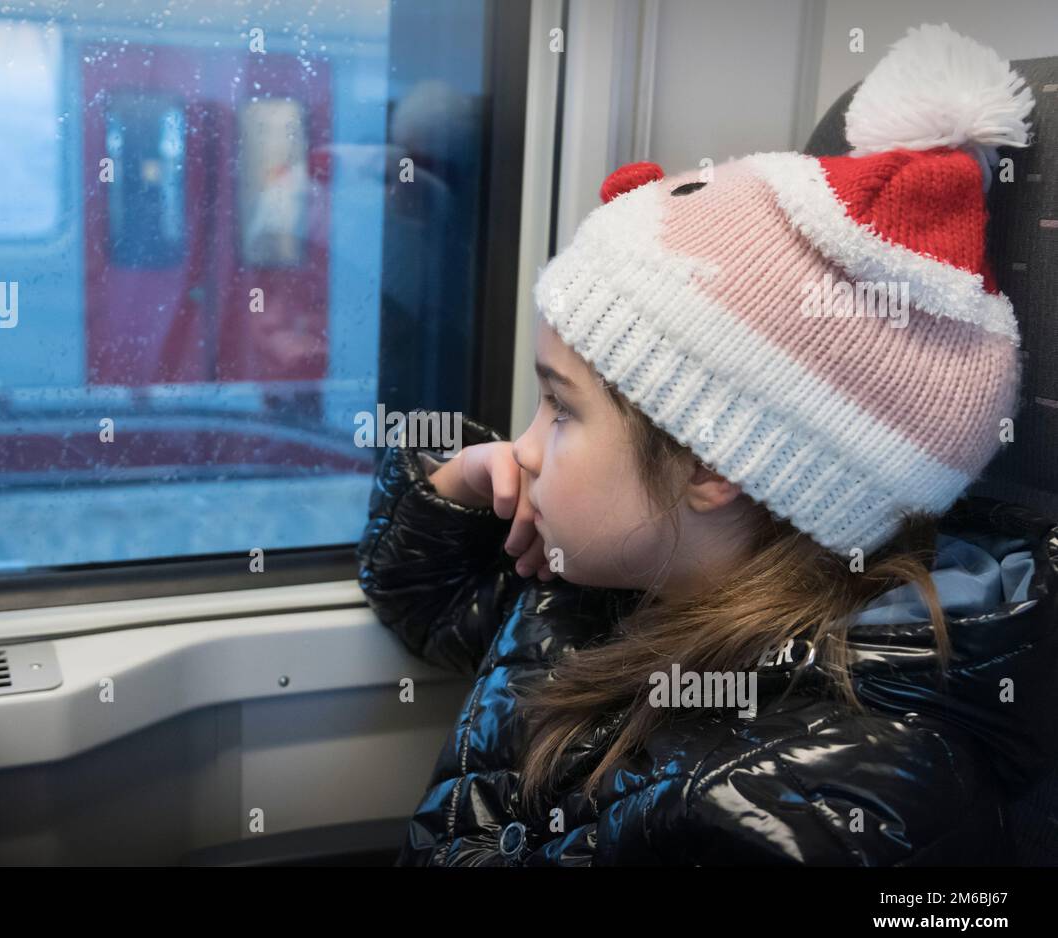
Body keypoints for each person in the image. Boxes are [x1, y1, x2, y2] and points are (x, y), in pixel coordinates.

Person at [356, 22, 1058, 865]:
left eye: (559, 410)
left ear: (712, 464)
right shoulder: (621, 577)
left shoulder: (812, 800)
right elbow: (429, 602)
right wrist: (459, 487)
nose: (526, 448)